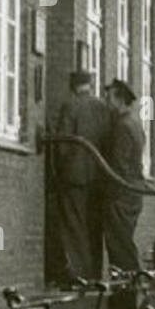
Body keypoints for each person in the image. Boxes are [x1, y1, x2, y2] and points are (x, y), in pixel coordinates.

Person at [52, 70, 111, 283]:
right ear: (90, 84)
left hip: (74, 178)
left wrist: (60, 170)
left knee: (74, 227)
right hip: (99, 177)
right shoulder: (103, 107)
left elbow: (63, 145)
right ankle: (95, 275)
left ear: (73, 86)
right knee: (94, 226)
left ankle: (80, 276)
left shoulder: (71, 105)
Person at [102, 78, 144, 277]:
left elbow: (119, 166)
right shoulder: (135, 124)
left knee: (120, 248)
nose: (107, 101)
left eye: (109, 97)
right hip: (133, 192)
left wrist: (110, 196)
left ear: (120, 99)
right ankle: (129, 296)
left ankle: (126, 301)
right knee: (124, 244)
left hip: (122, 195)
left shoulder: (122, 126)